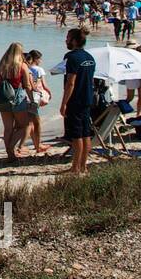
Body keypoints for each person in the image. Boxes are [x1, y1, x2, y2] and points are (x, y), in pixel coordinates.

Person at [59, 29, 96, 174]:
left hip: (75, 100)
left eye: (67, 38)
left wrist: (64, 103)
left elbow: (71, 83)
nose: (66, 40)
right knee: (86, 134)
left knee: (76, 135)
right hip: (87, 98)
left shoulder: (71, 57)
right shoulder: (90, 57)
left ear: (74, 40)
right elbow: (91, 80)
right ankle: (83, 166)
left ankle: (75, 168)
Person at [0, 43, 36, 164]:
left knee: (8, 128)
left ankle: (10, 155)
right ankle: (11, 147)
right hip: (18, 97)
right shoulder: (22, 66)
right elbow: (27, 86)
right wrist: (32, 100)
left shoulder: (1, 67)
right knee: (25, 125)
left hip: (3, 98)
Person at [23, 50, 52, 155]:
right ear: (36, 59)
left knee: (30, 121)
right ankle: (37, 145)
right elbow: (44, 85)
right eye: (40, 59)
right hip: (35, 96)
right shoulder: (39, 69)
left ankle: (35, 144)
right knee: (36, 121)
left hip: (25, 97)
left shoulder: (25, 68)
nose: (41, 61)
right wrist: (49, 93)